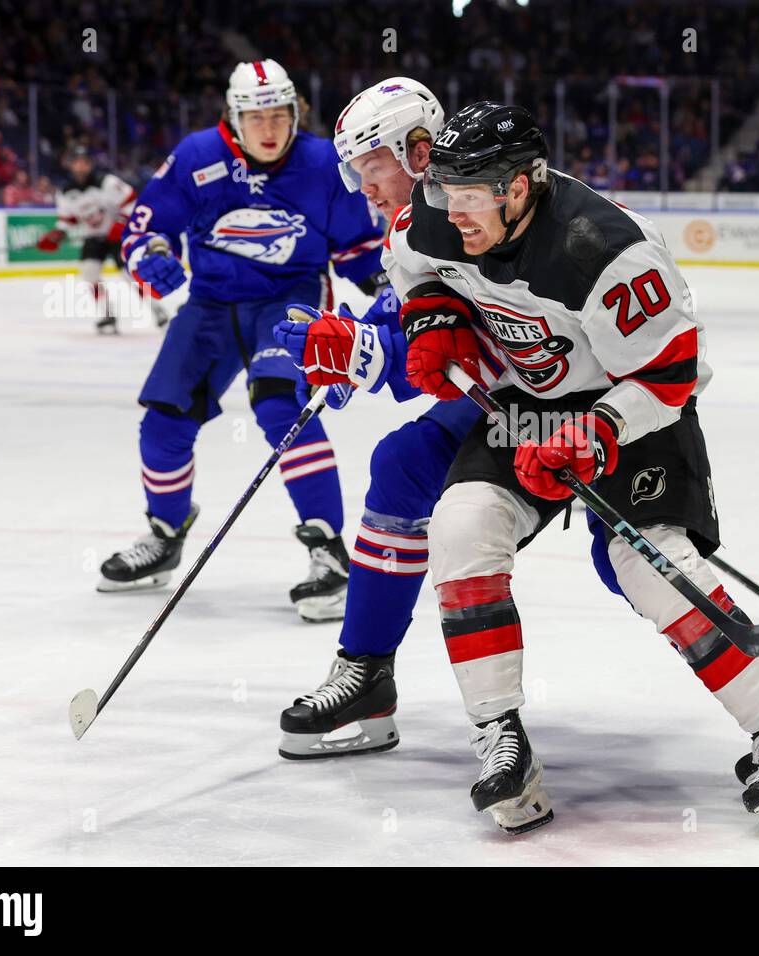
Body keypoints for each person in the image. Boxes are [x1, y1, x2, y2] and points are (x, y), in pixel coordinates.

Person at [279, 102, 759, 836]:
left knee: (645, 561)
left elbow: (674, 373)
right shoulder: (432, 212)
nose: (451, 213)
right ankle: (500, 736)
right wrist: (434, 323)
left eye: (469, 199)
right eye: (445, 194)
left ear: (519, 188)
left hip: (629, 411)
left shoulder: (605, 251)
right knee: (461, 525)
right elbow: (422, 276)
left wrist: (598, 428)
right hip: (525, 401)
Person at [271, 77, 623, 760]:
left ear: (417, 151)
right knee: (401, 466)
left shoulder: (480, 212)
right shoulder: (411, 230)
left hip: (586, 409)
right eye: (352, 172)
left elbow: (484, 340)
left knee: (637, 558)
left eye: (369, 168)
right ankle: (367, 674)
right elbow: (416, 327)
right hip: (503, 408)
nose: (361, 188)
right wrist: (349, 353)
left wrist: (375, 356)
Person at [96, 59, 387, 623]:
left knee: (281, 406)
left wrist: (388, 288)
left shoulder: (325, 161)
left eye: (280, 114)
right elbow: (144, 228)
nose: (270, 128)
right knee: (163, 420)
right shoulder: (197, 155)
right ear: (234, 116)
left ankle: (328, 552)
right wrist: (150, 256)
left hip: (289, 296)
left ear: (295, 111)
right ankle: (165, 532)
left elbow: (356, 247)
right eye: (257, 117)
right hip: (210, 305)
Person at [37, 146, 146, 334]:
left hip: (117, 236)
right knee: (89, 273)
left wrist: (121, 225)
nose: (80, 166)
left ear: (90, 164)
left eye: (84, 162)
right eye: (76, 162)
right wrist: (57, 234)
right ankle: (106, 314)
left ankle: (157, 309)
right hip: (94, 238)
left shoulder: (107, 182)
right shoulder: (65, 191)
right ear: (71, 165)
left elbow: (132, 202)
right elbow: (68, 219)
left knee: (131, 276)